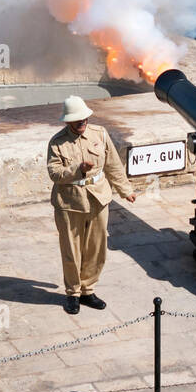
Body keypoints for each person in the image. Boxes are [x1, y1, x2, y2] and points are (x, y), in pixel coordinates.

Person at [47, 95, 136, 314]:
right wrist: (78, 169)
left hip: (98, 197)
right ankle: (73, 293)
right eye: (78, 120)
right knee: (71, 249)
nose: (83, 123)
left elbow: (113, 164)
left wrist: (126, 190)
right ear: (68, 122)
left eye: (85, 118)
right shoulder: (57, 142)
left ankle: (88, 290)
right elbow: (54, 173)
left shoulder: (100, 134)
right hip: (70, 202)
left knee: (97, 247)